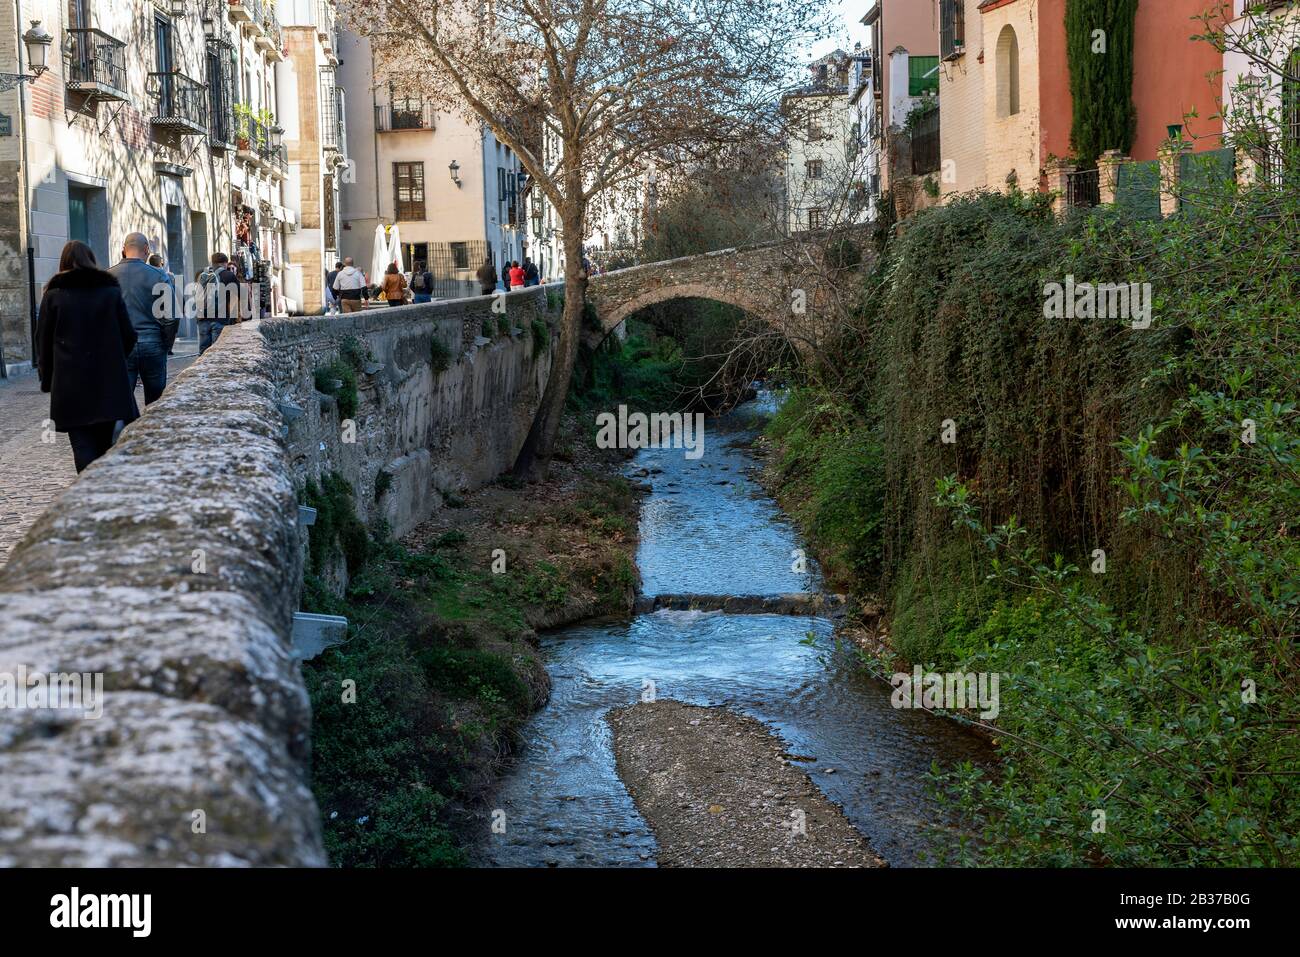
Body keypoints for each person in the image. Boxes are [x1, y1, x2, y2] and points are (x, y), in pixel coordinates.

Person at [35, 241, 139, 473]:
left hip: (70, 382)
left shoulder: (53, 296)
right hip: (108, 381)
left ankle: (88, 488)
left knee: (81, 443)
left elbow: (43, 342)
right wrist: (114, 359)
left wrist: (48, 377)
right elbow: (129, 335)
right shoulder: (110, 292)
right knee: (104, 444)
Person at [109, 232, 179, 407]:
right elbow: (171, 317)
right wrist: (166, 345)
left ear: (123, 250)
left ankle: (123, 433)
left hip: (120, 344)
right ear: (146, 250)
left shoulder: (107, 276)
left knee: (121, 401)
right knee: (156, 402)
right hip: (152, 341)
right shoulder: (159, 275)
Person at [195, 252, 242, 354]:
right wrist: (236, 319)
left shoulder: (202, 275)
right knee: (217, 351)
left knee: (203, 352)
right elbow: (234, 298)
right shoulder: (229, 276)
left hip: (203, 318)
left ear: (213, 263)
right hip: (220, 319)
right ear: (225, 263)